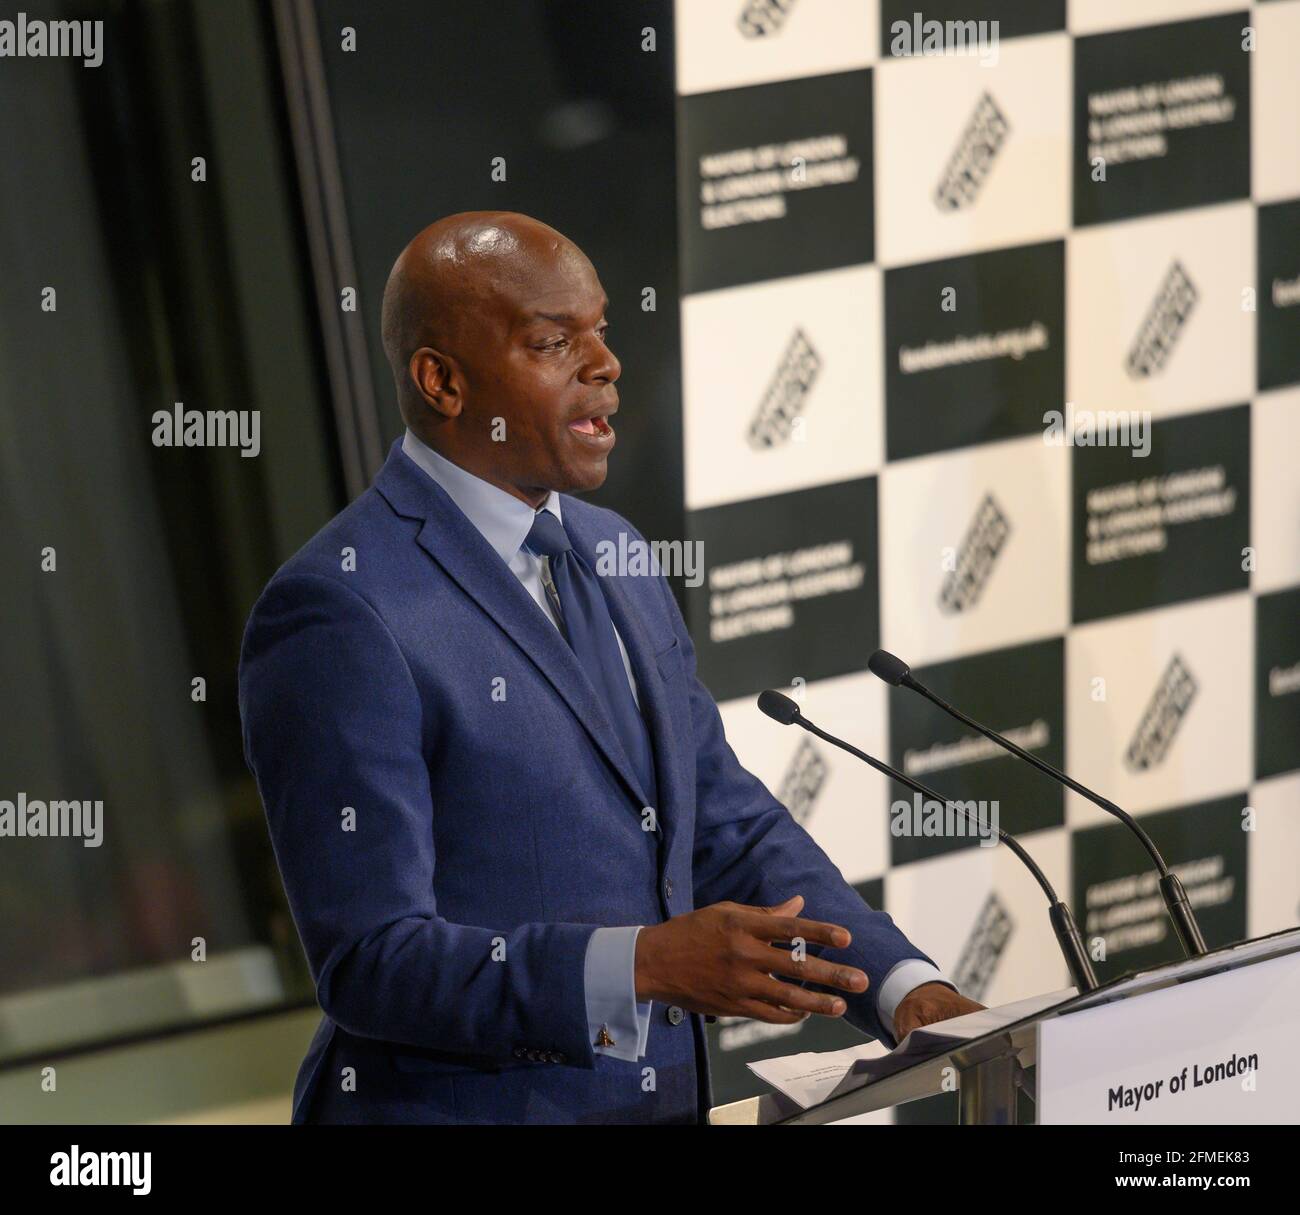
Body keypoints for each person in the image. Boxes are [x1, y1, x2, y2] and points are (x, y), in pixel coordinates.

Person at [238, 210, 980, 1124]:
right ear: (443, 380)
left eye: (602, 331)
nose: (606, 364)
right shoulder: (341, 608)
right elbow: (373, 961)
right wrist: (642, 965)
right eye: (554, 341)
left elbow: (721, 819)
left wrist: (903, 988)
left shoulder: (614, 548)